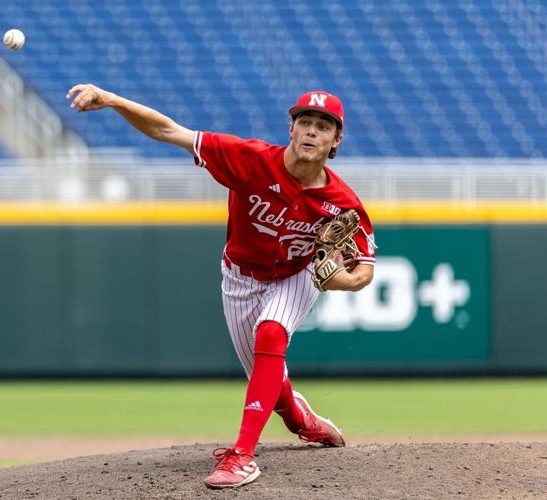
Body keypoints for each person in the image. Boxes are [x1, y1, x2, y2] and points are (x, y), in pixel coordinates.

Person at [66, 84, 376, 489]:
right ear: (291, 129)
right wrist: (112, 100)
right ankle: (303, 419)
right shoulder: (249, 160)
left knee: (272, 332)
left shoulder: (342, 202)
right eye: (304, 122)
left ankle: (242, 456)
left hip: (296, 276)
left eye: (322, 125)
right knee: (274, 390)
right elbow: (167, 132)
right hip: (240, 279)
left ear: (336, 140)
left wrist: (343, 282)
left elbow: (364, 269)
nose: (311, 131)